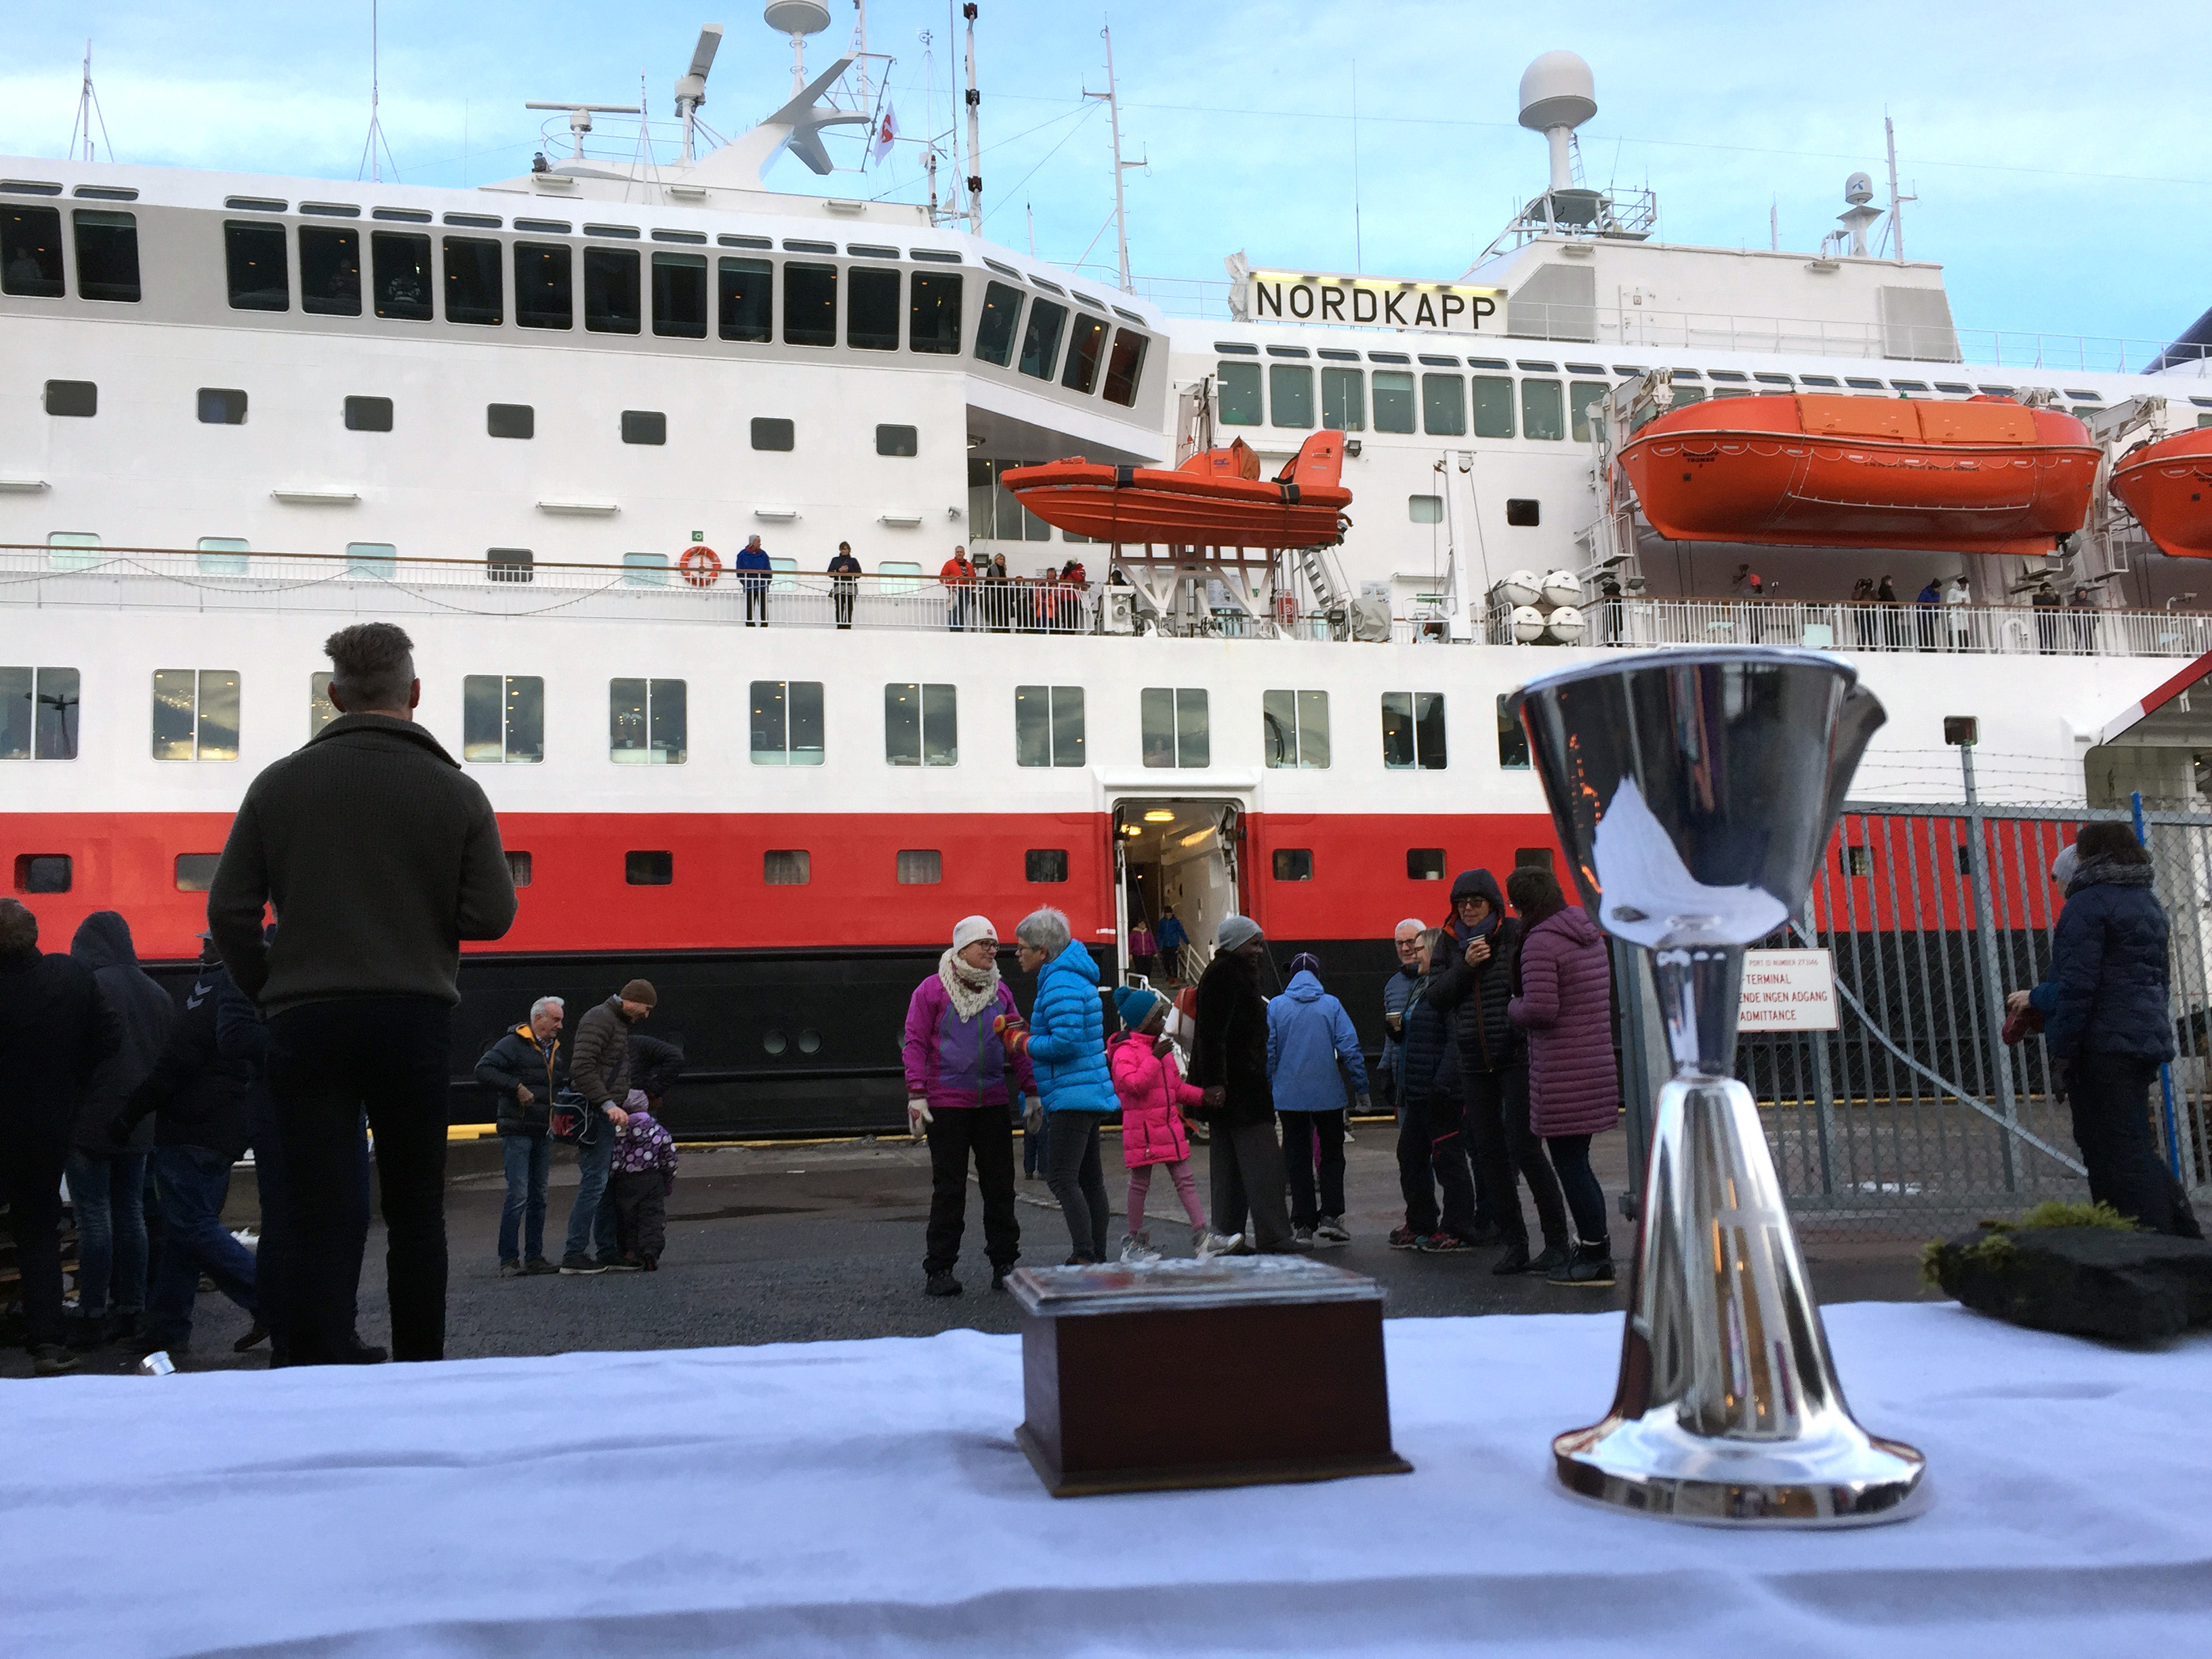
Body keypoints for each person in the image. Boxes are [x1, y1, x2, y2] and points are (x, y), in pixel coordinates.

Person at [209, 620, 518, 1365]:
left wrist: (269, 989)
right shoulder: (455, 790)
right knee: (416, 1212)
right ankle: (419, 1368)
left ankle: (312, 1365)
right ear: (413, 692)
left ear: (333, 695)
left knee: (314, 1210)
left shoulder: (278, 784)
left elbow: (227, 911)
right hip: (411, 1018)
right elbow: (493, 916)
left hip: (306, 1021)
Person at [2009, 824, 2202, 1237]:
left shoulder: (2087, 905)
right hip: (2140, 1039)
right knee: (2128, 1141)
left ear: (2087, 858)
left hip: (2103, 1044)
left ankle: (2147, 1243)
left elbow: (2079, 985)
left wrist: (2058, 1036)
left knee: (2112, 1148)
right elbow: (2150, 979)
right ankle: (2180, 1234)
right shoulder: (2145, 902)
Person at [111, 937, 266, 1361]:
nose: (199, 953)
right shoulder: (236, 988)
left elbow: (177, 1062)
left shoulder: (213, 992)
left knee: (192, 1225)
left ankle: (270, 1299)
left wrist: (131, 1112)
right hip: (220, 1129)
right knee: (184, 1235)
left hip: (193, 1127)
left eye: (207, 945)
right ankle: (166, 1327)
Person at [1431, 869, 1571, 1273]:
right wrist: (1466, 967)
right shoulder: (1450, 943)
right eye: (1462, 902)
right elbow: (1436, 997)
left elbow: (1533, 988)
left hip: (1514, 1057)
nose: (1468, 908)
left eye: (1476, 901)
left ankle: (1557, 1242)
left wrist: (1515, 1034)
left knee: (1525, 1148)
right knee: (1490, 1154)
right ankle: (1515, 1242)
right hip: (1473, 1062)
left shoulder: (1513, 934)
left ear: (1493, 902)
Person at [0, 897, 114, 1376]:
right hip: (44, 1127)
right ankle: (47, 1340)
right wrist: (71, 1090)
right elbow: (106, 1041)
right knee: (38, 1234)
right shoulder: (68, 978)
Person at [901, 915, 1034, 1294]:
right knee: (949, 1189)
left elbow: (1017, 1042)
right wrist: (917, 1095)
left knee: (1000, 1188)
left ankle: (1005, 1264)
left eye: (995, 945)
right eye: (984, 945)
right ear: (962, 949)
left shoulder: (1001, 994)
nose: (993, 951)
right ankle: (940, 1270)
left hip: (992, 1102)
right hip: (946, 1105)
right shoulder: (931, 992)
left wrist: (1032, 1091)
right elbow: (914, 1044)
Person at [1507, 867, 1622, 1286]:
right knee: (1579, 1163)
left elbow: (1540, 1009)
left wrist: (1511, 1006)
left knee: (1571, 1166)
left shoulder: (1540, 942)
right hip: (1592, 1065)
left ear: (1521, 903)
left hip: (1563, 1072)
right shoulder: (1585, 932)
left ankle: (1595, 1255)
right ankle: (1594, 1247)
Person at [64, 911, 176, 1349]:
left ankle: (91, 1311)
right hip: (140, 1123)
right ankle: (131, 1308)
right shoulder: (158, 992)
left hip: (90, 1120)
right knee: (131, 1213)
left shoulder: (90, 988)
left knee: (94, 1217)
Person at [1003, 908, 1118, 1265]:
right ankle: (1096, 1253)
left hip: (1070, 1094)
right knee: (1090, 1180)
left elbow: (1064, 1044)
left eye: (1023, 947)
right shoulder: (1074, 977)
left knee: (1061, 1178)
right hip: (1088, 1090)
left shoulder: (1059, 983)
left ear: (1044, 951)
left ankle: (1084, 1254)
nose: (1017, 954)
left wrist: (1020, 1041)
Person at [1190, 915, 1299, 1253]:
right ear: (1237, 944)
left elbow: (1210, 1032)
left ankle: (1228, 1235)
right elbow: (1213, 1033)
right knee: (1264, 1162)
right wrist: (1217, 1082)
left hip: (1227, 1089)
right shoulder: (1229, 975)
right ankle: (1275, 1235)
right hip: (1241, 1088)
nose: (1260, 949)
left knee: (1228, 1169)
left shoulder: (1220, 973)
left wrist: (1212, 1084)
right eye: (1254, 943)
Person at [1109, 985, 1223, 1258]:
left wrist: (1203, 1097)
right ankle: (1133, 1243)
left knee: (1185, 1180)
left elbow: (1175, 1089)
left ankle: (1202, 1235)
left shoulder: (1158, 1049)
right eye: (1158, 1018)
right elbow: (1133, 1085)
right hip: (1144, 1132)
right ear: (1143, 1022)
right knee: (1139, 1184)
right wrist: (1154, 1058)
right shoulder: (1125, 1051)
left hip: (1167, 1128)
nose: (1163, 1024)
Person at [1267, 952, 1368, 1245]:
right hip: (1330, 1096)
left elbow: (1269, 1051)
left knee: (1296, 1158)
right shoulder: (1332, 1005)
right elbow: (1350, 1047)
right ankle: (1332, 1216)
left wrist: (1271, 1085)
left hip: (1288, 1097)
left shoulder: (1276, 1006)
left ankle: (1303, 1224)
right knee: (1332, 1155)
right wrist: (1361, 1088)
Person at [1393, 927, 1479, 1252]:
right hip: (1418, 1092)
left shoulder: (1445, 991)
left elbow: (1454, 1041)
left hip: (1438, 1093)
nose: (1414, 954)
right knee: (1410, 1155)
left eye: (1420, 949)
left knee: (1448, 1159)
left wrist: (1444, 1085)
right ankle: (1421, 1221)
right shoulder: (1420, 986)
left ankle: (1458, 1227)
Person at [562, 979, 656, 1273]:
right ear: (631, 1000)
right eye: (646, 1008)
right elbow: (581, 1067)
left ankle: (606, 1251)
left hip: (604, 1113)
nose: (646, 1015)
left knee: (602, 1184)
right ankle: (574, 1254)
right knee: (594, 1183)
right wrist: (608, 1103)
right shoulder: (599, 1018)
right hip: (594, 1113)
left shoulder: (614, 1021)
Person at [475, 996, 567, 1276]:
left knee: (538, 1195)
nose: (560, 1026)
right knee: (518, 1194)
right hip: (518, 1129)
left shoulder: (553, 1051)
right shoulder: (512, 1044)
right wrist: (516, 1087)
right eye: (556, 1020)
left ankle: (535, 1256)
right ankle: (509, 1259)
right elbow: (483, 1069)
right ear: (538, 1019)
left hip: (542, 1129)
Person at [607, 1088, 678, 1270]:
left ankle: (631, 1251)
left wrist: (613, 1176)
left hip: (625, 1179)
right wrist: (668, 1180)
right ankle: (651, 1250)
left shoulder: (620, 1129)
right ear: (645, 1107)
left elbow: (615, 1155)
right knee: (652, 1216)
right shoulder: (657, 1130)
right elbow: (669, 1158)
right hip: (651, 1178)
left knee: (627, 1217)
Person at [1380, 918, 1425, 1114]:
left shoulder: (1440, 978)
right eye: (1400, 943)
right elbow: (1390, 1035)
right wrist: (1385, 1068)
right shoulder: (1392, 985)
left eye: (1411, 942)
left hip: (1429, 1077)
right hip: (1402, 1079)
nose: (1405, 948)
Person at [735, 535, 772, 626]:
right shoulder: (743, 555)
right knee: (750, 605)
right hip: (749, 584)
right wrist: (745, 582)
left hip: (762, 584)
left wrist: (767, 581)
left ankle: (764, 624)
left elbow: (768, 569)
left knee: (763, 605)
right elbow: (739, 570)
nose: (760, 544)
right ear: (752, 543)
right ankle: (750, 623)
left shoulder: (763, 554)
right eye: (758, 542)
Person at [828, 541, 863, 629]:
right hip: (839, 587)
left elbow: (859, 574)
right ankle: (839, 625)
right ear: (840, 550)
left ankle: (848, 626)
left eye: (846, 549)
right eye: (843, 549)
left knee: (849, 607)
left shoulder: (853, 561)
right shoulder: (835, 560)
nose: (844, 551)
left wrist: (849, 570)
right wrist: (839, 570)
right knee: (839, 606)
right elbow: (830, 573)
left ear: (849, 550)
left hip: (851, 588)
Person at [941, 545, 975, 631]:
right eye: (957, 552)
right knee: (953, 609)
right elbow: (942, 576)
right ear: (955, 553)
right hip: (954, 590)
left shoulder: (969, 565)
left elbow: (974, 577)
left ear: (964, 553)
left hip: (966, 590)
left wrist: (972, 587)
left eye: (961, 552)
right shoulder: (950, 564)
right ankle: (953, 628)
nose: (959, 554)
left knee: (963, 610)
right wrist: (950, 587)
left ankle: (961, 628)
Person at [1154, 909, 1189, 981]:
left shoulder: (1175, 922)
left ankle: (1176, 976)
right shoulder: (1162, 922)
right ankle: (1169, 975)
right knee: (1165, 961)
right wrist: (1158, 946)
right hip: (1165, 945)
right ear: (1165, 914)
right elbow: (1159, 934)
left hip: (1174, 944)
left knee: (1174, 961)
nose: (1168, 915)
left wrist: (1187, 942)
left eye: (1170, 913)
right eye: (1167, 914)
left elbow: (1181, 931)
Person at [2032, 579, 2061, 654]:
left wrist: (2057, 596)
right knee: (2043, 636)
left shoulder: (2052, 598)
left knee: (2052, 636)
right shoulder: (2036, 597)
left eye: (2049, 589)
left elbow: (2056, 608)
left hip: (2051, 619)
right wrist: (2042, 594)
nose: (2048, 591)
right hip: (2042, 619)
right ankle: (2043, 651)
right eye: (2046, 589)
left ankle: (2052, 651)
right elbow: (2038, 605)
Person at [1947, 574, 1973, 652]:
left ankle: (1963, 650)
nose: (1964, 585)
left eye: (1965, 583)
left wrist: (1965, 603)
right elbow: (1948, 603)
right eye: (1962, 583)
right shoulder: (1952, 591)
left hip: (1963, 615)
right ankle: (1952, 650)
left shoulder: (1966, 592)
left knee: (1964, 633)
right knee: (1955, 634)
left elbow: (1969, 601)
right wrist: (1959, 602)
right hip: (1955, 615)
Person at [1915, 577, 1942, 651]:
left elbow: (1936, 602)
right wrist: (1931, 603)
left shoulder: (1936, 594)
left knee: (1931, 631)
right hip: (1923, 615)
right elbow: (1920, 602)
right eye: (1938, 588)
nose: (1939, 590)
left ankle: (1931, 646)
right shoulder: (1925, 592)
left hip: (1931, 615)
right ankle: (1924, 647)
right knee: (1924, 631)